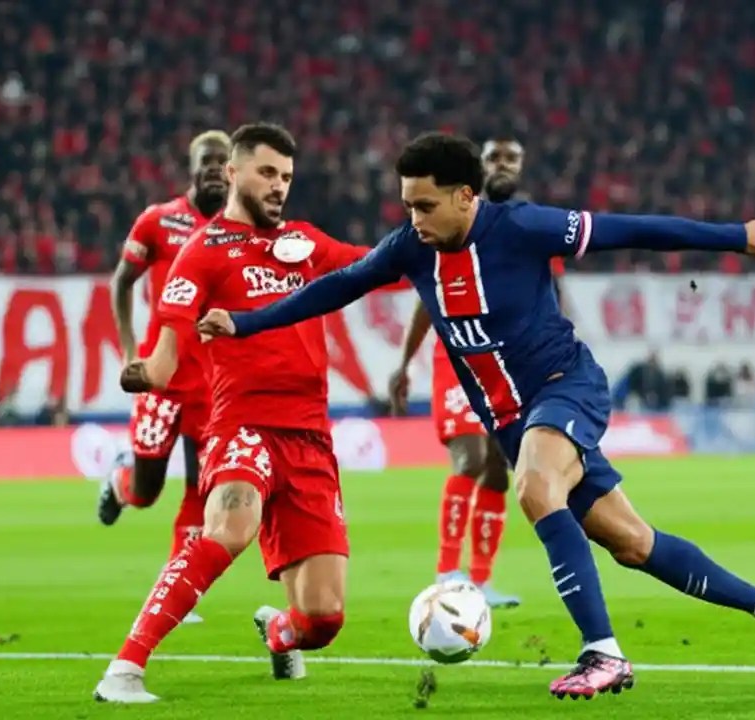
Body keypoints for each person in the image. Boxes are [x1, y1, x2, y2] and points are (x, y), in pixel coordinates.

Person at [197, 132, 755, 700]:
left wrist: (739, 237)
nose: (413, 218)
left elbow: (634, 230)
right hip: (513, 421)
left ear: (464, 197)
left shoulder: (524, 227)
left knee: (536, 489)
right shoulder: (411, 248)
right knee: (633, 543)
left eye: (425, 204)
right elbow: (336, 287)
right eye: (406, 205)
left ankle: (605, 653)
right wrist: (247, 323)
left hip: (567, 387)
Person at [94, 123, 386, 704]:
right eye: (267, 173)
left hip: (310, 440)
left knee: (324, 618)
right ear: (233, 172)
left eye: (286, 177)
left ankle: (280, 634)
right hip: (242, 426)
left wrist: (436, 241)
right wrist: (144, 372)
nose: (279, 186)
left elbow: (373, 267)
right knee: (229, 527)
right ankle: (125, 668)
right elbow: (168, 350)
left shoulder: (305, 243)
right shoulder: (201, 252)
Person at [387, 137, 528, 607]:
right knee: (468, 456)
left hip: (505, 362)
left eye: (511, 158)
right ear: (477, 170)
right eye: (494, 158)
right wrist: (405, 363)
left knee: (496, 471)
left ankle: (482, 582)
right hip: (459, 359)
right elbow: (427, 300)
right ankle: (448, 572)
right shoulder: (449, 222)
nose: (503, 165)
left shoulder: (528, 227)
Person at [98, 130, 231, 624]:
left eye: (224, 161)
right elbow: (122, 283)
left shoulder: (240, 228)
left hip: (213, 386)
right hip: (162, 378)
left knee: (201, 487)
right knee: (149, 490)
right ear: (192, 167)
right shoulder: (159, 221)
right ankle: (121, 480)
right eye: (208, 161)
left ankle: (179, 581)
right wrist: (133, 350)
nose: (216, 168)